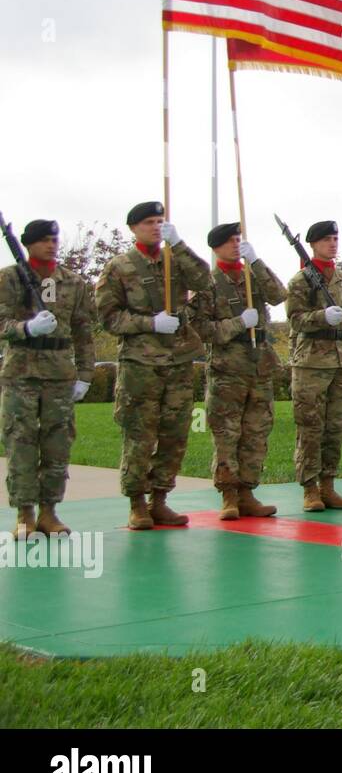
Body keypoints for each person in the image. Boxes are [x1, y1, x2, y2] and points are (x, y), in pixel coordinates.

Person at [96, 201, 210, 529]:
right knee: (140, 434)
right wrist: (149, 324)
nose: (156, 226)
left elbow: (204, 280)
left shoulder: (176, 259)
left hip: (178, 360)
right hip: (140, 363)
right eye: (149, 222)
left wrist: (180, 244)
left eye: (160, 220)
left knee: (175, 434)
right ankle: (136, 503)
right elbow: (108, 317)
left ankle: (160, 500)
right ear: (133, 228)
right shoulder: (119, 267)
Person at [1, 219, 94, 538]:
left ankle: (50, 512)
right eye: (43, 239)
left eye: (54, 239)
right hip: (21, 375)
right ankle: (25, 514)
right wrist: (24, 328)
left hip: (59, 373)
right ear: (28, 245)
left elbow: (84, 332)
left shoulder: (73, 281)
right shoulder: (10, 278)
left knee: (58, 444)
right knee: (21, 443)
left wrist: (85, 375)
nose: (51, 244)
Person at [193, 222, 285, 520]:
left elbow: (278, 294)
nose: (236, 244)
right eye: (231, 241)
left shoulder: (252, 276)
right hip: (227, 369)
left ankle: (247, 492)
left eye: (239, 239)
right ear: (216, 247)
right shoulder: (208, 283)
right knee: (227, 433)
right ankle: (229, 495)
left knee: (256, 432)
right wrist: (237, 324)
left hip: (258, 365)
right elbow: (200, 329)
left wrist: (256, 261)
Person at [285, 220, 342, 512]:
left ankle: (328, 485)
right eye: (327, 239)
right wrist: (321, 317)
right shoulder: (300, 281)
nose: (333, 243)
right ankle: (310, 488)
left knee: (336, 427)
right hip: (311, 362)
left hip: (341, 361)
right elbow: (295, 319)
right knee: (310, 427)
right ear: (313, 244)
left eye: (335, 238)